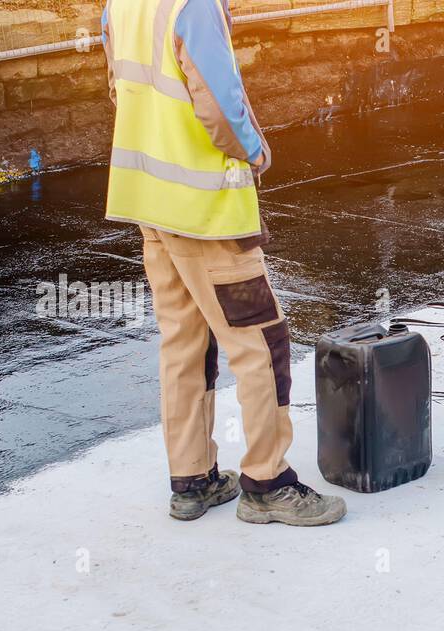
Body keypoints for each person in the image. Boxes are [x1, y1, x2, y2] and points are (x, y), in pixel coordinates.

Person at [101, 0, 346, 525]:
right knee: (260, 341)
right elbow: (217, 107)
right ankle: (267, 483)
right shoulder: (195, 6)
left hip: (150, 203)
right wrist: (256, 152)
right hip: (205, 210)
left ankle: (192, 480)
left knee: (184, 342)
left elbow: (118, 87)